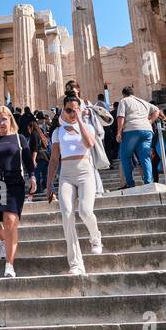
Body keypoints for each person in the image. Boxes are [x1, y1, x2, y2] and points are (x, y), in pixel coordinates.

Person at [0, 105, 36, 278]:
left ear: (10, 119)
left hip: (14, 182)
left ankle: (9, 265)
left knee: (10, 221)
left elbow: (28, 161)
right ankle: (5, 238)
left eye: (4, 119)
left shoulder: (19, 139)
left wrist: (32, 177)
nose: (1, 123)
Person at [47, 95, 102, 275]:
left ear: (80, 109)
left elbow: (89, 143)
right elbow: (54, 159)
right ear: (63, 110)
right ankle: (75, 263)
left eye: (75, 109)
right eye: (68, 110)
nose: (71, 113)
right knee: (67, 215)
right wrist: (49, 184)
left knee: (85, 211)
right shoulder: (58, 132)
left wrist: (79, 120)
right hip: (66, 174)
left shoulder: (88, 127)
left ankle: (95, 237)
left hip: (85, 171)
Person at [115, 87, 164, 188]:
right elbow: (157, 111)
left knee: (125, 156)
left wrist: (119, 132)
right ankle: (148, 182)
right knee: (145, 157)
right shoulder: (143, 102)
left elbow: (121, 117)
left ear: (123, 94)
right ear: (133, 93)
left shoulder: (124, 101)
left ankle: (130, 183)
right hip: (147, 130)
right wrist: (150, 121)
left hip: (131, 130)